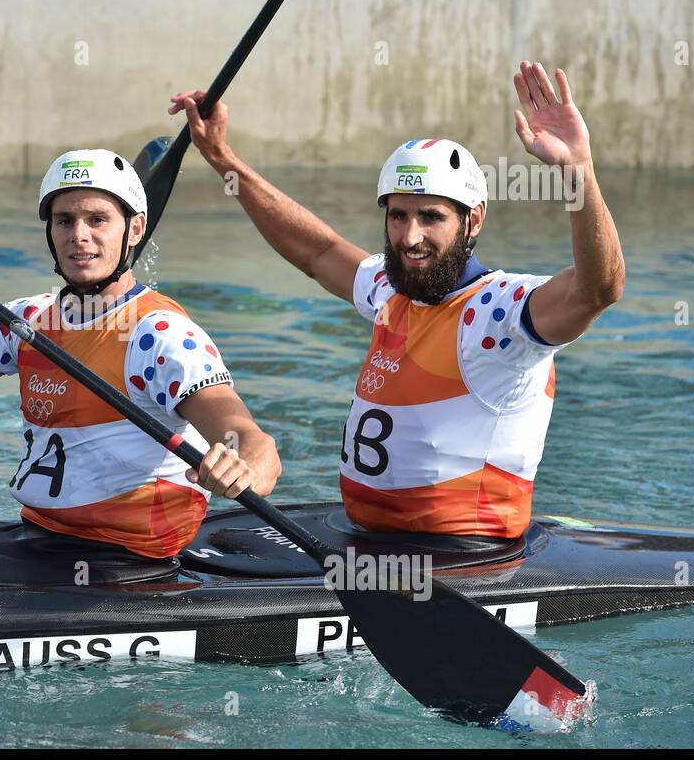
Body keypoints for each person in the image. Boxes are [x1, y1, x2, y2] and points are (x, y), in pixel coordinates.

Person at [169, 61, 624, 540]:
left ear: (474, 221)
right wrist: (222, 157)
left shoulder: (500, 311)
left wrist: (578, 173)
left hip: (464, 557)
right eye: (399, 216)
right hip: (369, 539)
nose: (411, 238)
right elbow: (316, 249)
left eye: (432, 217)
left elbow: (597, 290)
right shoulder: (392, 288)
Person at [0, 148, 281, 559]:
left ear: (135, 229)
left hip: (131, 558)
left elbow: (249, 439)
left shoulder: (159, 334)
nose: (78, 235)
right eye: (65, 220)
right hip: (41, 536)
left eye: (98, 220)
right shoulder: (30, 318)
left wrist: (243, 468)